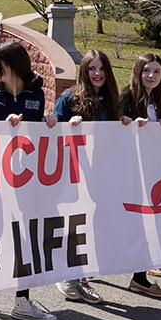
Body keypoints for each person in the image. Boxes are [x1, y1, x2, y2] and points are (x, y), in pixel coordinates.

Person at [0, 40, 59, 320]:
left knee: (24, 237)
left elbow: (36, 133)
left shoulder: (36, 94)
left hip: (26, 181)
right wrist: (1, 126)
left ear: (13, 67)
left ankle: (22, 299)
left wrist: (47, 123)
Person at [53, 49, 124, 304]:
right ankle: (66, 274)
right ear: (84, 71)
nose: (97, 73)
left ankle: (81, 277)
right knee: (74, 222)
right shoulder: (68, 98)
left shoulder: (112, 99)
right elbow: (50, 131)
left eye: (102, 69)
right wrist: (67, 126)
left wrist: (125, 123)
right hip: (73, 171)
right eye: (92, 68)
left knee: (94, 225)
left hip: (101, 173)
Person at [118, 53, 161, 298]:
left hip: (148, 170)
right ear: (137, 71)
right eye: (146, 71)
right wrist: (128, 122)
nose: (151, 76)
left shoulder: (156, 99)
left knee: (144, 223)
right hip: (125, 170)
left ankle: (139, 278)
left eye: (156, 72)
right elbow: (111, 126)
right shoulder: (126, 96)